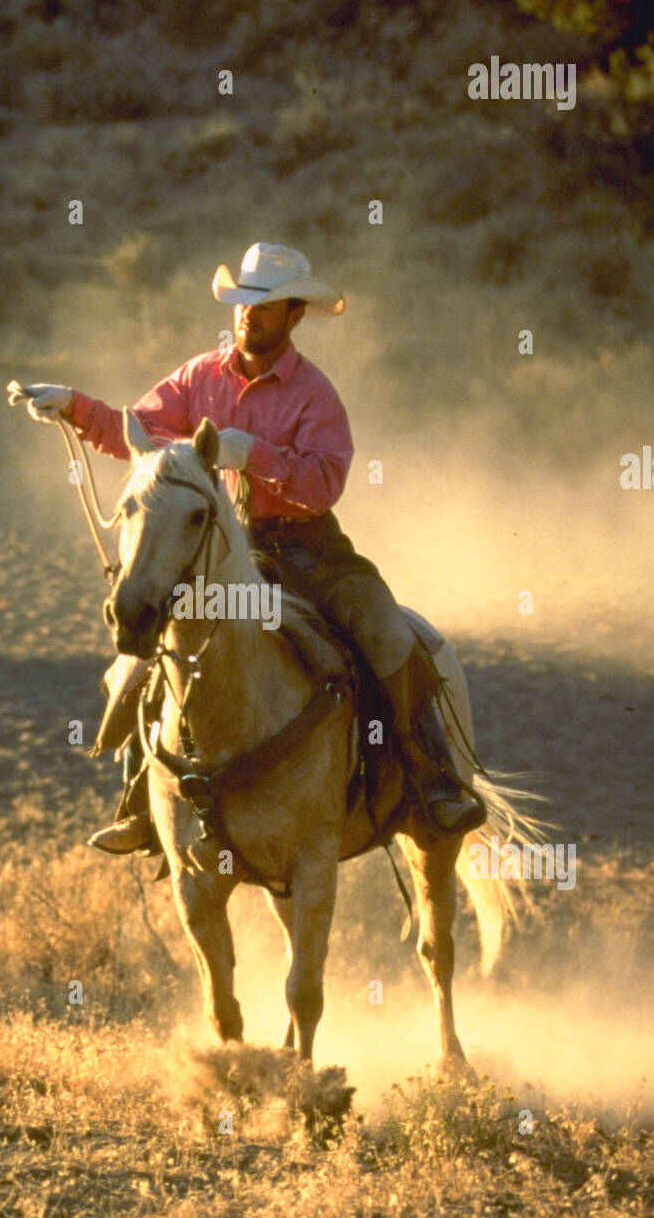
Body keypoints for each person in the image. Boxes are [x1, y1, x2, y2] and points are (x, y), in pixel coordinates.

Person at [24, 242, 486, 850]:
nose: (250, 314)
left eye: (266, 306)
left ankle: (434, 781)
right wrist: (75, 407)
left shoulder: (314, 395)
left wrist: (256, 458)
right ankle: (146, 797)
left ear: (294, 315)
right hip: (221, 550)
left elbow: (324, 485)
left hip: (311, 551)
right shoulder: (199, 375)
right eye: (245, 301)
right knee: (141, 655)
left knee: (387, 633)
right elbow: (138, 435)